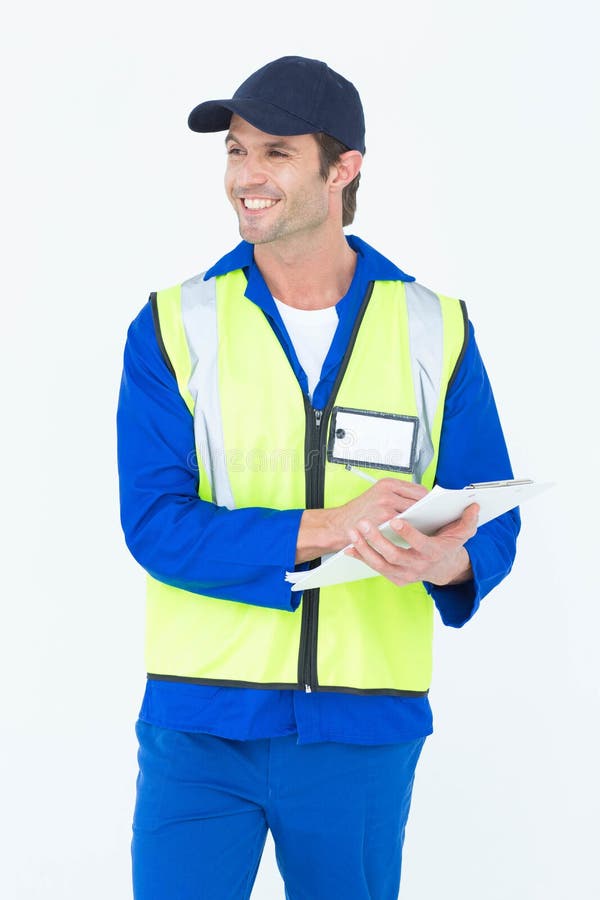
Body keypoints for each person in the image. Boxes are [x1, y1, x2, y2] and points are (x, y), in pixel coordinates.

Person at [117, 55, 520, 900]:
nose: (245, 178)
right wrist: (332, 525)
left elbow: (490, 512)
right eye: (235, 151)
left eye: (275, 153)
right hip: (202, 728)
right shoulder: (174, 324)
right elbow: (156, 525)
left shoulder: (433, 328)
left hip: (363, 731)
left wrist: (444, 562)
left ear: (343, 170)